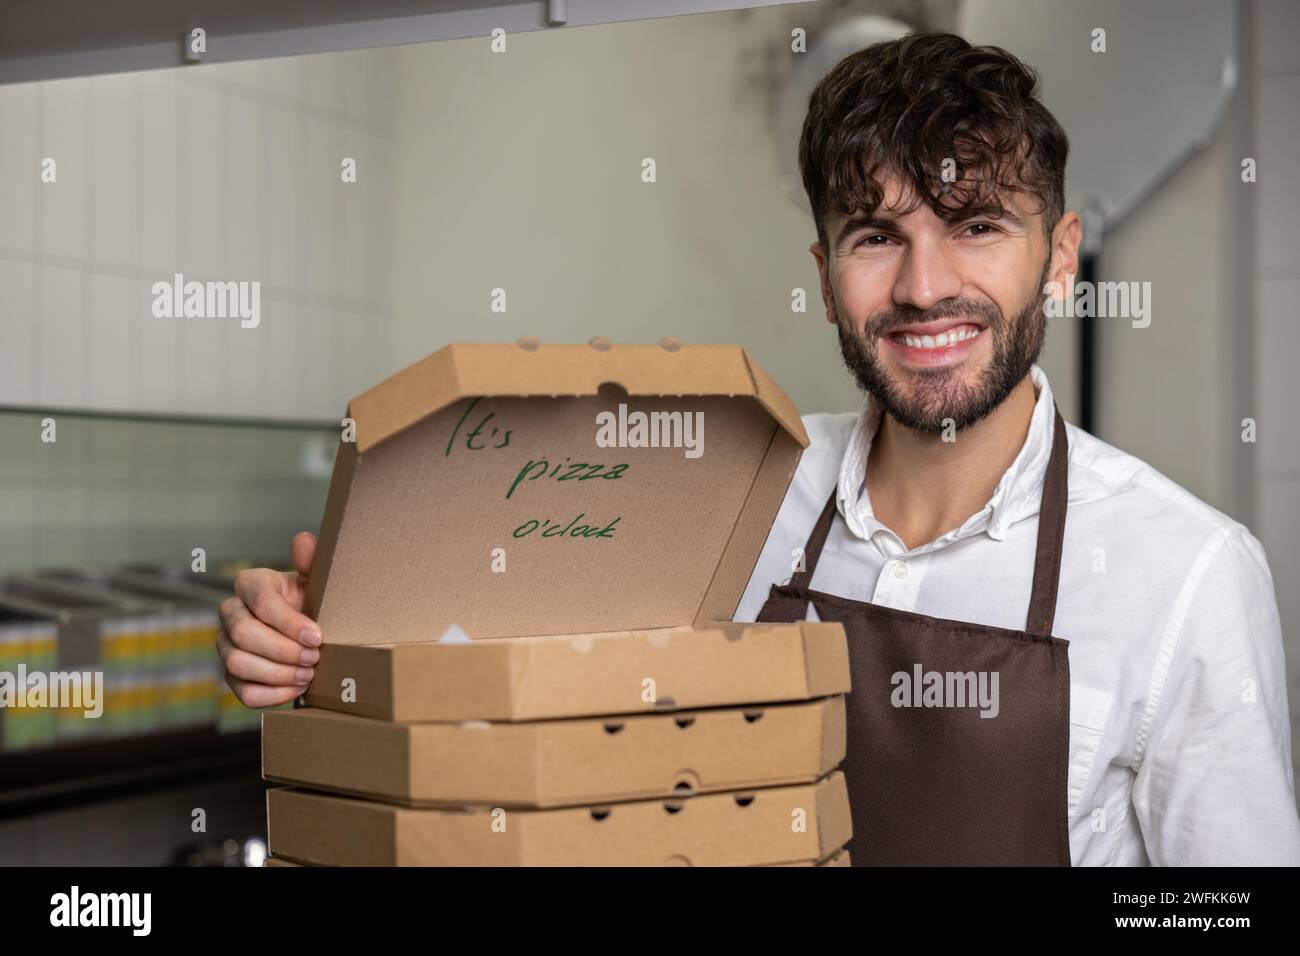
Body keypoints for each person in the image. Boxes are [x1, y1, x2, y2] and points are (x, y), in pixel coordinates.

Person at [217, 32, 1300, 866]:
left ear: (1059, 258)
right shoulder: (724, 487)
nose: (924, 286)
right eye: (878, 236)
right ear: (826, 271)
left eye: (975, 225)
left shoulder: (1185, 572)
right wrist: (320, 642)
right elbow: (492, 665)